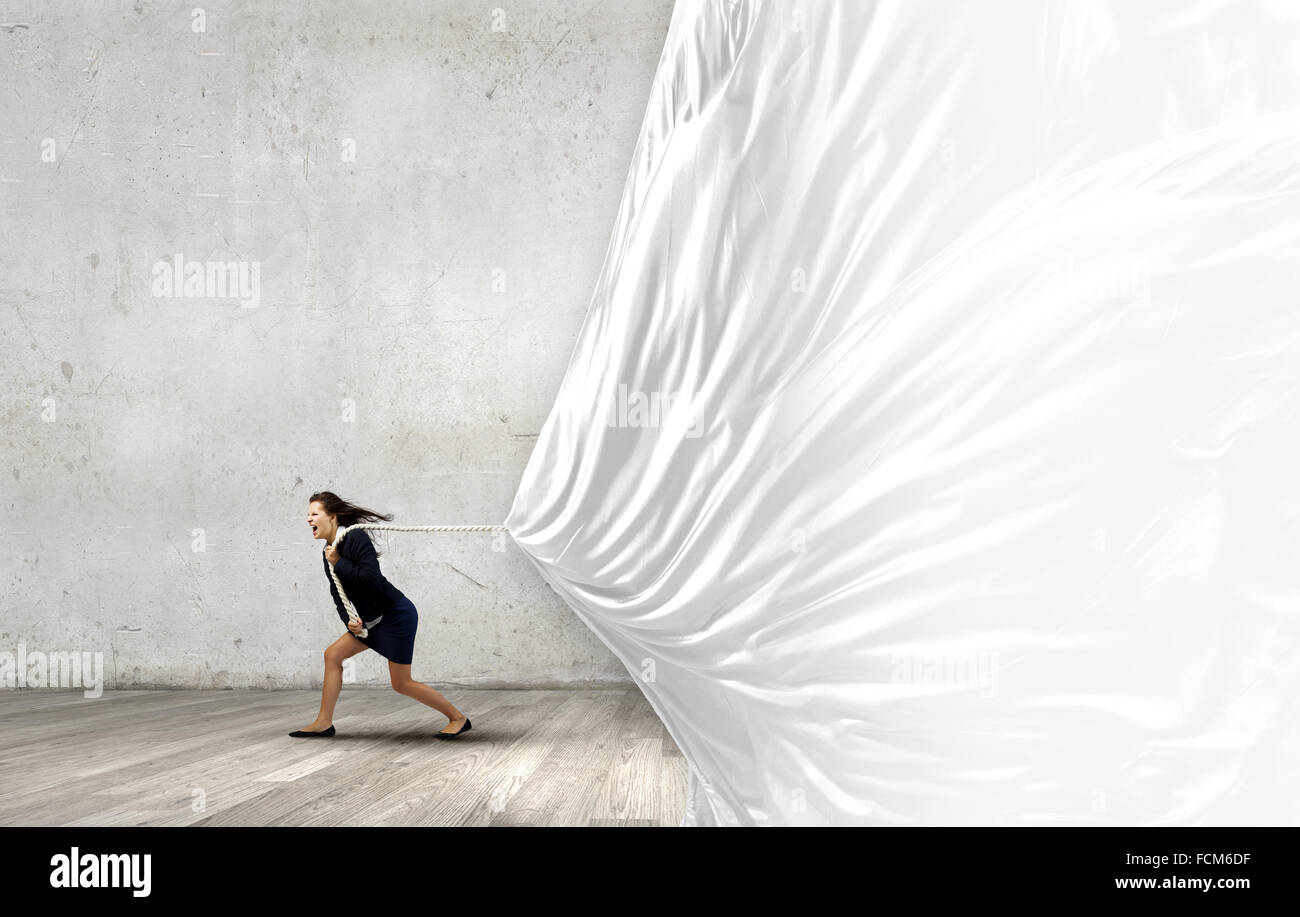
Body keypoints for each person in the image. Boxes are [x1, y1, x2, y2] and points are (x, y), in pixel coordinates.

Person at [290, 491, 472, 739]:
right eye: (307, 515)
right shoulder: (329, 551)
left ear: (332, 517)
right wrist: (350, 622)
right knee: (332, 655)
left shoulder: (355, 538)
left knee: (401, 684)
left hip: (396, 616)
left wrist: (339, 561)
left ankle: (458, 718)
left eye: (314, 514)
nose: (309, 519)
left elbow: (372, 580)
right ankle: (323, 722)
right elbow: (337, 593)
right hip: (370, 622)